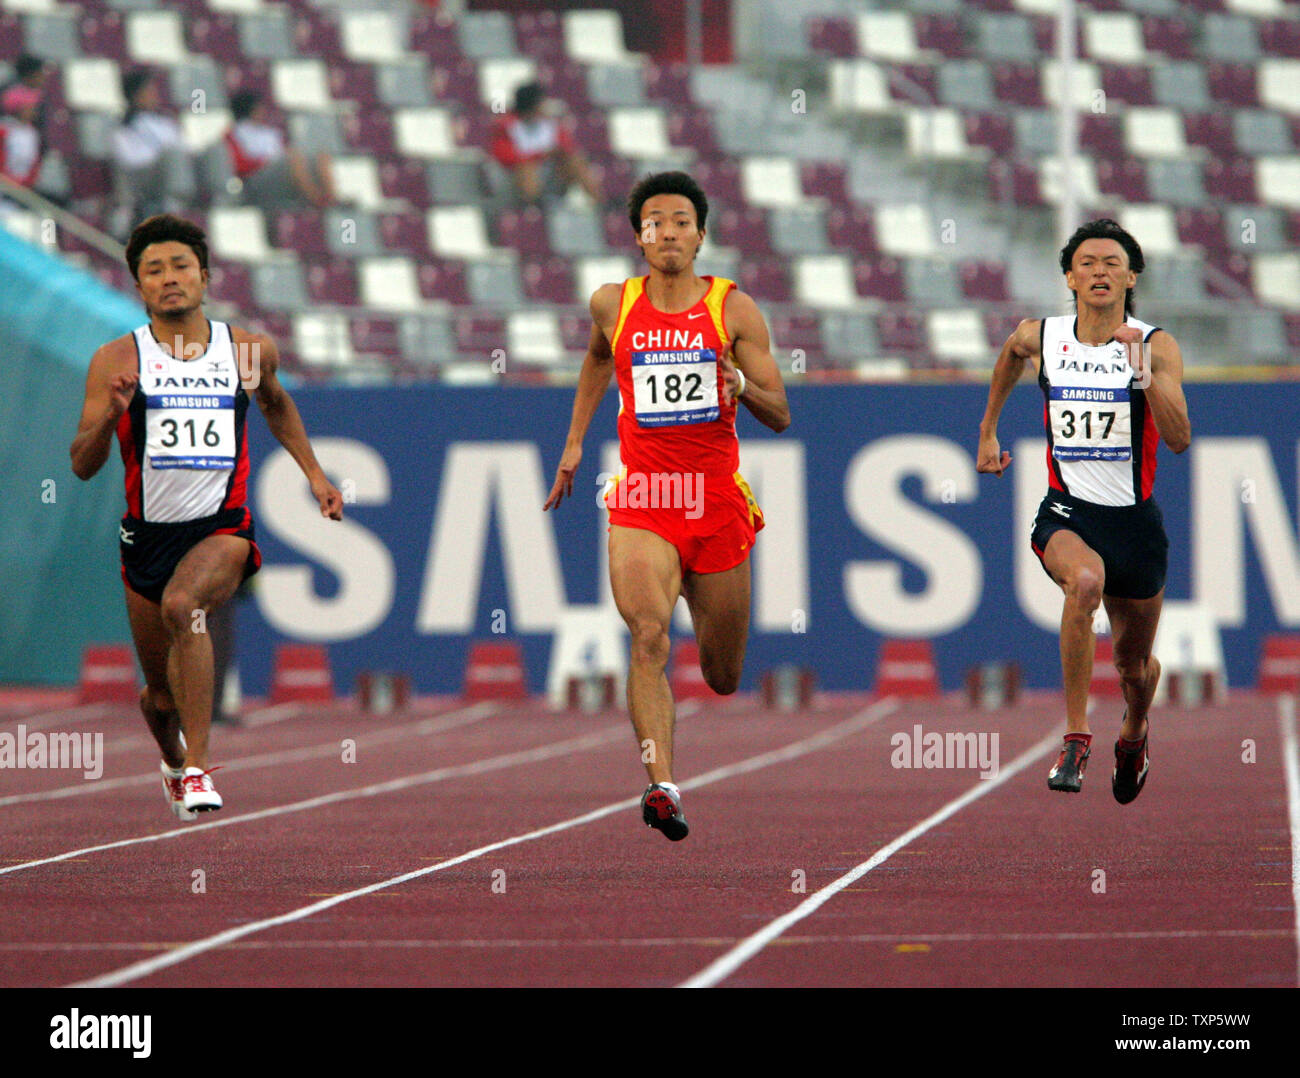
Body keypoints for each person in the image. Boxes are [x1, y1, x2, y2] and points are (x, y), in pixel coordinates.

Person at [70, 214, 343, 819]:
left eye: (180, 267)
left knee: (182, 607)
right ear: (138, 287)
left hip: (223, 529)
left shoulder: (246, 350)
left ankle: (198, 768)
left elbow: (276, 405)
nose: (169, 280)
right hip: (145, 538)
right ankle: (171, 758)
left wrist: (316, 476)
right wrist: (109, 415)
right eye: (154, 271)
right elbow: (83, 464)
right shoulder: (117, 359)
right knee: (158, 698)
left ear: (205, 277)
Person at [544, 170, 790, 840]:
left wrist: (738, 381)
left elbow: (780, 413)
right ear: (638, 237)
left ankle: (678, 742)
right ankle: (662, 784)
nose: (669, 232)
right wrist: (574, 445)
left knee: (723, 673)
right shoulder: (611, 304)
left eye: (682, 220)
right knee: (649, 637)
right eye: (655, 222)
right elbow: (598, 359)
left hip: (714, 504)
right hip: (645, 498)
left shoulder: (733, 310)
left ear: (701, 235)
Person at [976, 218, 1191, 803]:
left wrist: (1144, 374)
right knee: (1084, 584)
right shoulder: (1041, 336)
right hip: (1068, 512)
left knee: (1134, 669)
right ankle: (1075, 736)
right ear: (1070, 277)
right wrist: (989, 429)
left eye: (1112, 263)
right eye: (1088, 263)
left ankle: (1135, 728)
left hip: (1135, 527)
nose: (1100, 271)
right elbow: (1011, 355)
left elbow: (1178, 438)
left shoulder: (1154, 343)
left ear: (1131, 276)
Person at [490, 81, 601, 208]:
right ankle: (533, 211)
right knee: (526, 169)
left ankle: (599, 203)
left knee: (574, 161)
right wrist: (540, 155)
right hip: (516, 179)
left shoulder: (551, 124)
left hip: (551, 174)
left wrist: (554, 153)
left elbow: (567, 148)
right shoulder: (506, 126)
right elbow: (504, 157)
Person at [110, 69, 191, 235]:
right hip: (142, 180)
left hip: (171, 172)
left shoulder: (165, 122)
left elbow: (182, 147)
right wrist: (161, 156)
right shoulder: (124, 128)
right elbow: (129, 160)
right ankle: (173, 204)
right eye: (148, 91)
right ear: (135, 95)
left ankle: (218, 202)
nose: (154, 95)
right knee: (173, 156)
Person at [224, 90, 334, 210]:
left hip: (278, 171)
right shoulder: (234, 135)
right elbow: (236, 166)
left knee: (320, 156)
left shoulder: (268, 132)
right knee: (293, 158)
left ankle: (331, 197)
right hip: (256, 182)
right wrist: (265, 162)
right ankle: (315, 199)